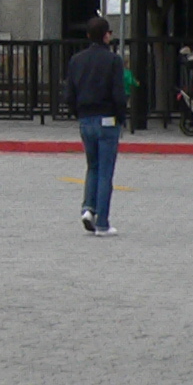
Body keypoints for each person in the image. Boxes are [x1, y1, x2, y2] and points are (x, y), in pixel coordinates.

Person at [66, 15, 127, 236]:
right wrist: (122, 117)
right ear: (105, 35)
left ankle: (87, 208)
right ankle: (102, 222)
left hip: (85, 119)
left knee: (92, 166)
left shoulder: (77, 60)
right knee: (105, 172)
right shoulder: (113, 60)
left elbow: (70, 94)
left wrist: (78, 113)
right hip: (107, 119)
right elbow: (118, 94)